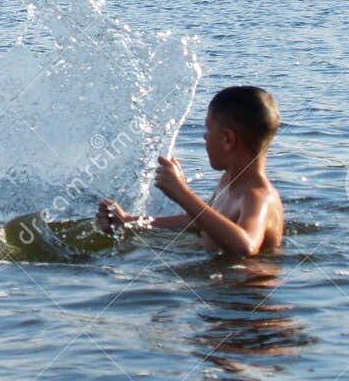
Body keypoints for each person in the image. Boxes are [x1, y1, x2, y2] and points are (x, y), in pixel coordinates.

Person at [97, 85, 284, 256]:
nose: (204, 136)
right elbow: (198, 221)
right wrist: (131, 222)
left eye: (208, 129)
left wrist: (182, 193)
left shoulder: (258, 196)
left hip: (244, 289)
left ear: (227, 139)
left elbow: (246, 247)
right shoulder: (227, 182)